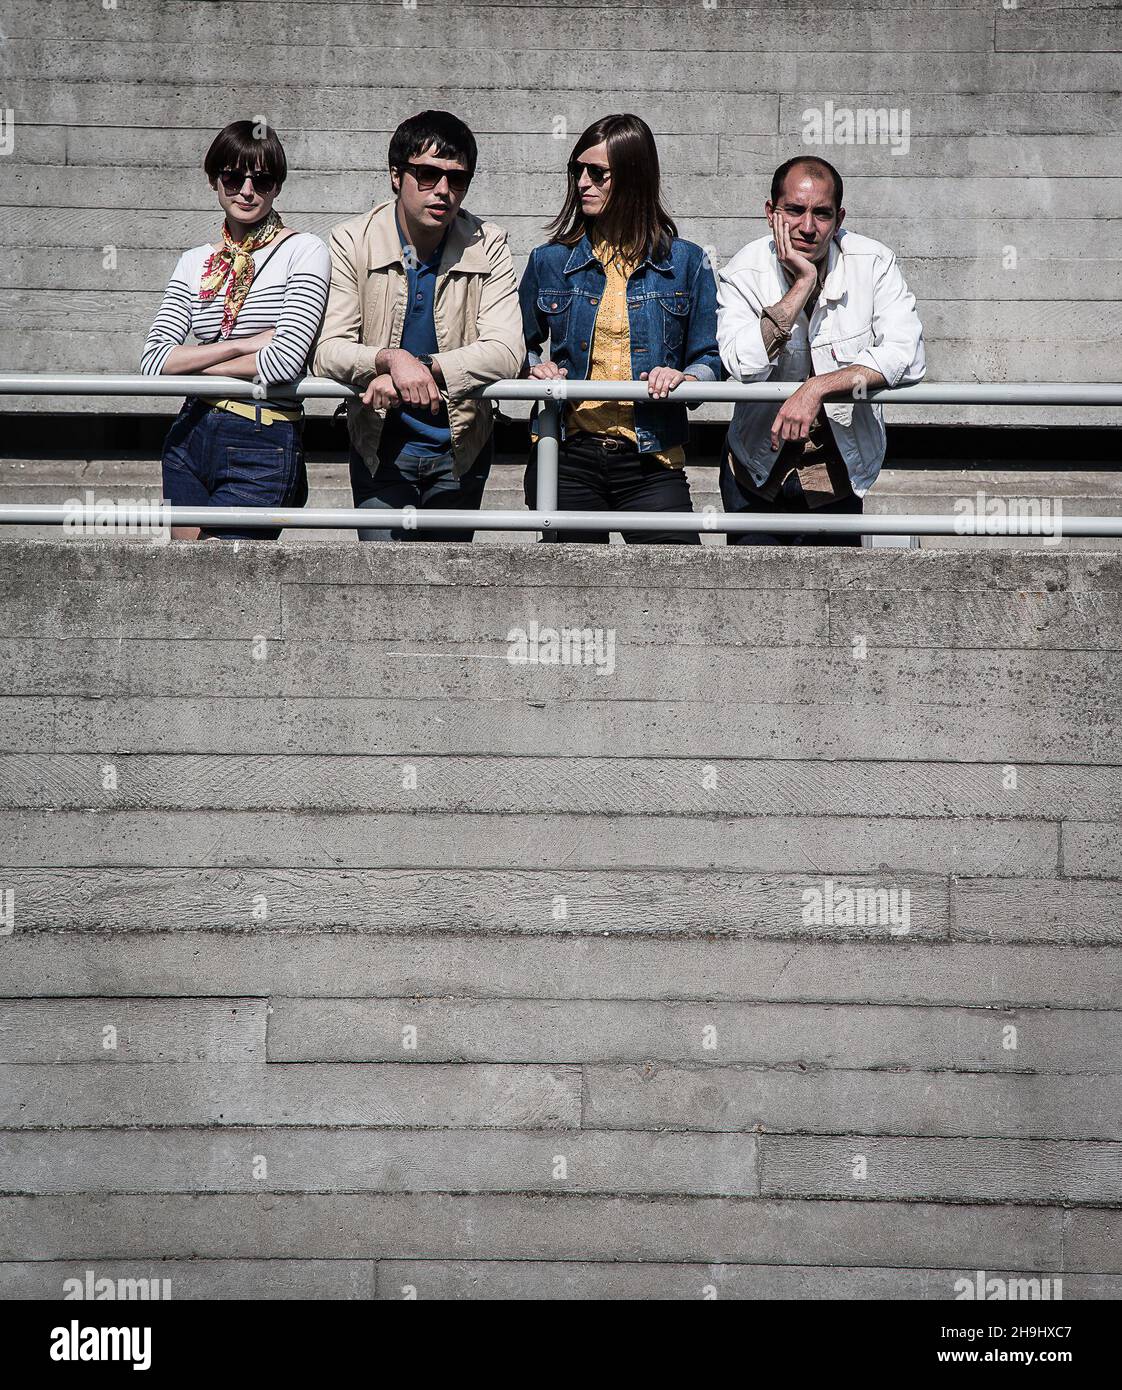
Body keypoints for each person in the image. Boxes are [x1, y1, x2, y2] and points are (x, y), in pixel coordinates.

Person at [312, 110, 524, 542]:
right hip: (380, 447)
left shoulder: (489, 244)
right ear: (396, 175)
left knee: (448, 594)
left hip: (461, 446)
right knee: (383, 590)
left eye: (457, 179)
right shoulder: (352, 241)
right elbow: (327, 349)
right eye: (426, 174)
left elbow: (507, 350)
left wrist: (421, 367)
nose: (443, 190)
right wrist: (391, 359)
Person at [518, 113, 721, 544]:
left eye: (598, 173)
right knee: (567, 592)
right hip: (567, 453)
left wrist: (685, 377)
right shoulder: (549, 261)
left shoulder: (686, 262)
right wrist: (535, 368)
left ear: (633, 176)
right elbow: (517, 345)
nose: (582, 183)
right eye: (578, 170)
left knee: (674, 589)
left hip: (652, 459)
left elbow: (710, 355)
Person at [716, 155, 925, 545]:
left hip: (835, 477)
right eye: (794, 210)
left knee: (834, 601)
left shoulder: (873, 263)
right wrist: (802, 285)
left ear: (840, 219)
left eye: (822, 214)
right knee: (752, 600)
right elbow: (741, 363)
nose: (808, 227)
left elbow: (907, 356)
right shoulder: (744, 270)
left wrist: (816, 388)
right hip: (755, 472)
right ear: (770, 212)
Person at [141, 120, 330, 541]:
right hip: (190, 431)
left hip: (261, 437)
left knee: (226, 586)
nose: (247, 190)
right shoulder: (195, 261)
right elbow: (153, 361)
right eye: (233, 176)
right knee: (186, 579)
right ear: (214, 180)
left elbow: (283, 362)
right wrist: (244, 344)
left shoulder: (304, 250)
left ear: (276, 186)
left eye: (261, 179)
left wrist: (187, 366)